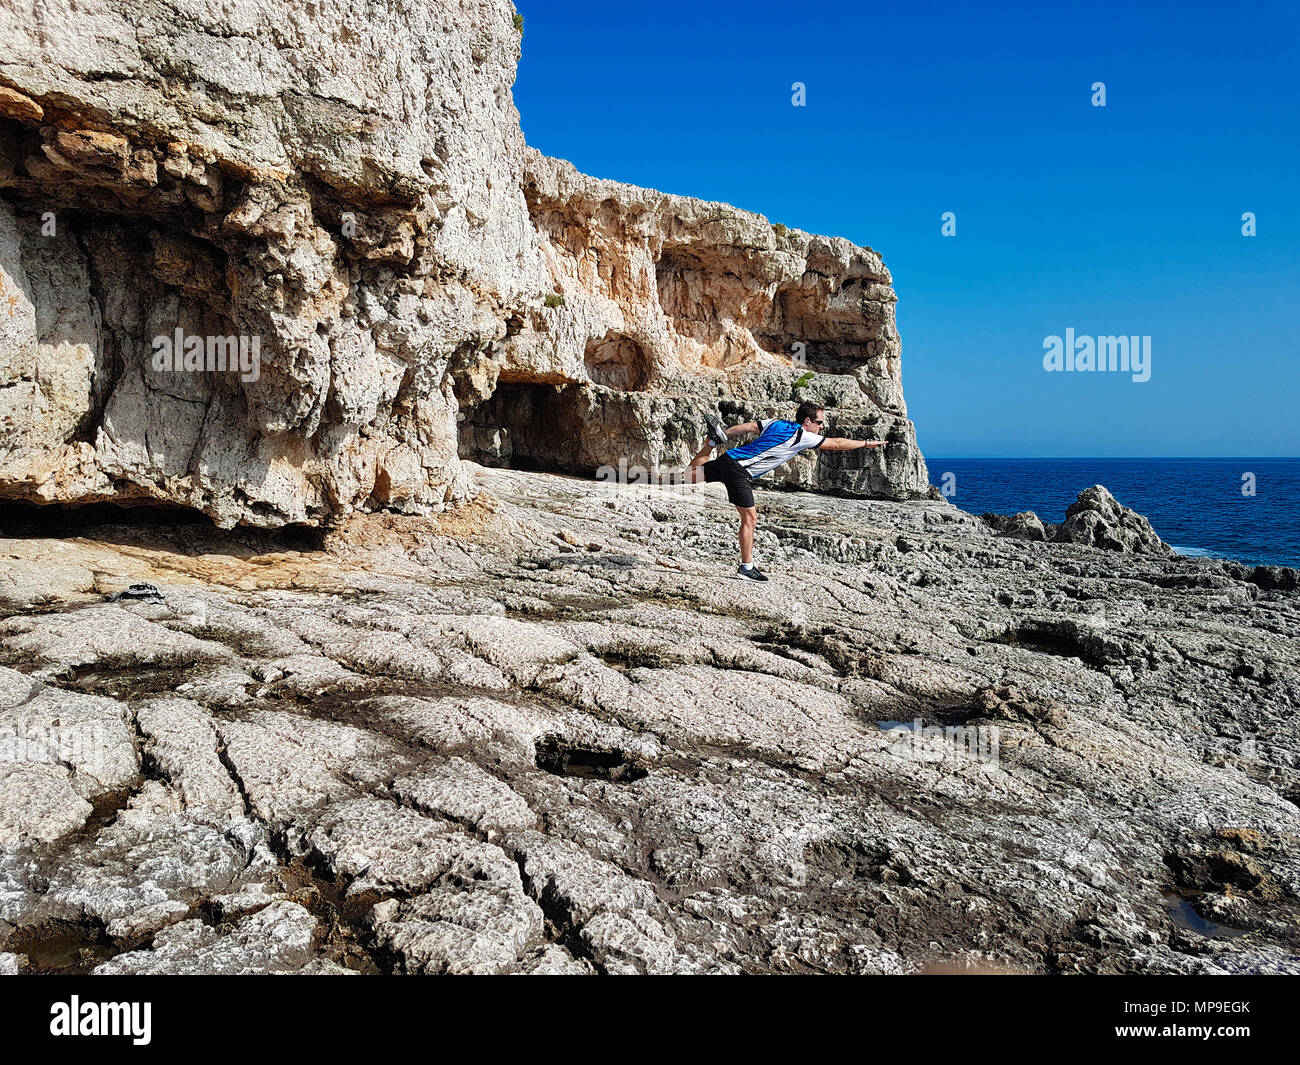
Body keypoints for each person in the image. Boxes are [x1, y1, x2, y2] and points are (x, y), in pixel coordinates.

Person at [681, 400, 885, 581]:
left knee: (690, 476)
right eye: (820, 422)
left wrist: (724, 435)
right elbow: (836, 444)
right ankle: (746, 567)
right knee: (750, 518)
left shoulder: (776, 423)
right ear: (807, 421)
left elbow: (749, 427)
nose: (822, 427)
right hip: (739, 470)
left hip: (730, 458)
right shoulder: (802, 435)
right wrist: (866, 443)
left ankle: (711, 443)